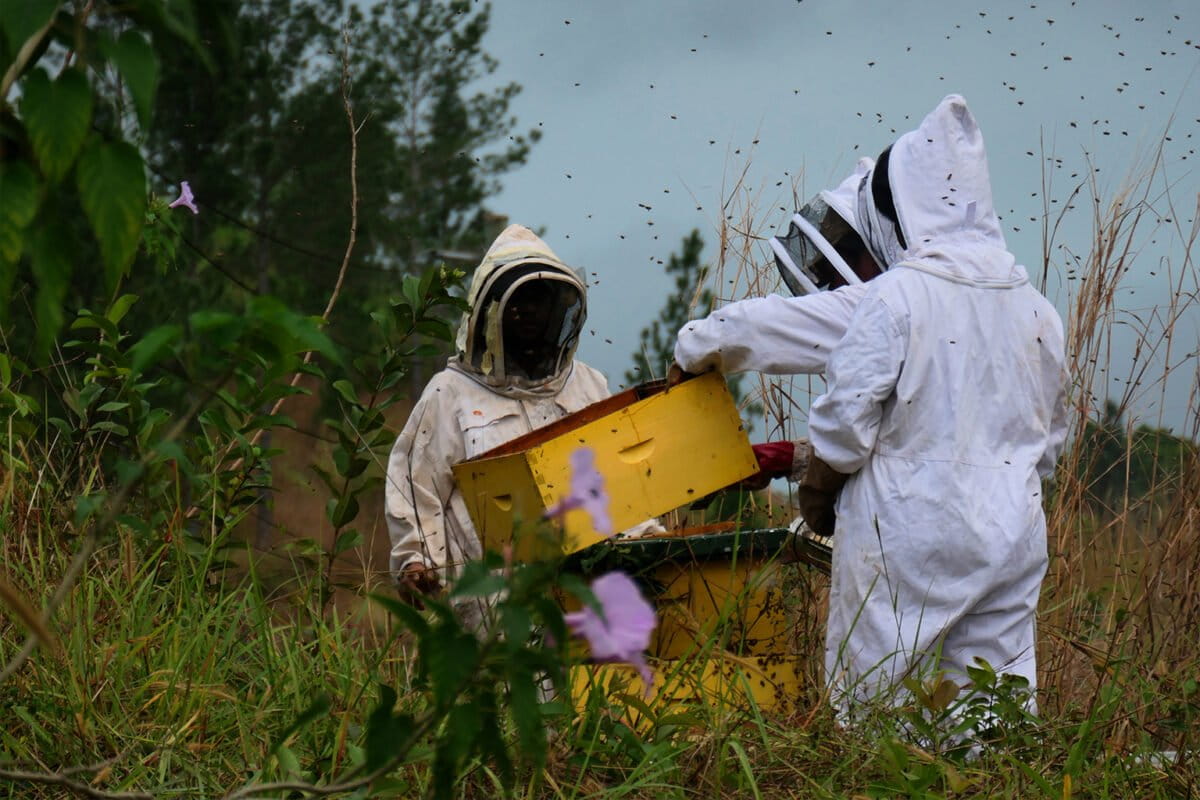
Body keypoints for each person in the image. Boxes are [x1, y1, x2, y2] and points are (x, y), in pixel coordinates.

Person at [675, 95, 1068, 716]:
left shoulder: (897, 296)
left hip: (907, 529)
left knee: (873, 705)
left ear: (902, 205)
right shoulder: (1038, 311)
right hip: (1014, 531)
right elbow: (1047, 446)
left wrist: (819, 482)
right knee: (994, 708)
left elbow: (845, 422)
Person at [385, 224, 656, 628]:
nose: (528, 311)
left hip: (588, 596)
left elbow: (620, 482)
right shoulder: (450, 393)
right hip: (489, 609)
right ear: (489, 310)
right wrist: (417, 560)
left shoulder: (588, 385)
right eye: (518, 301)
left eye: (539, 300)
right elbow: (414, 485)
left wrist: (646, 539)